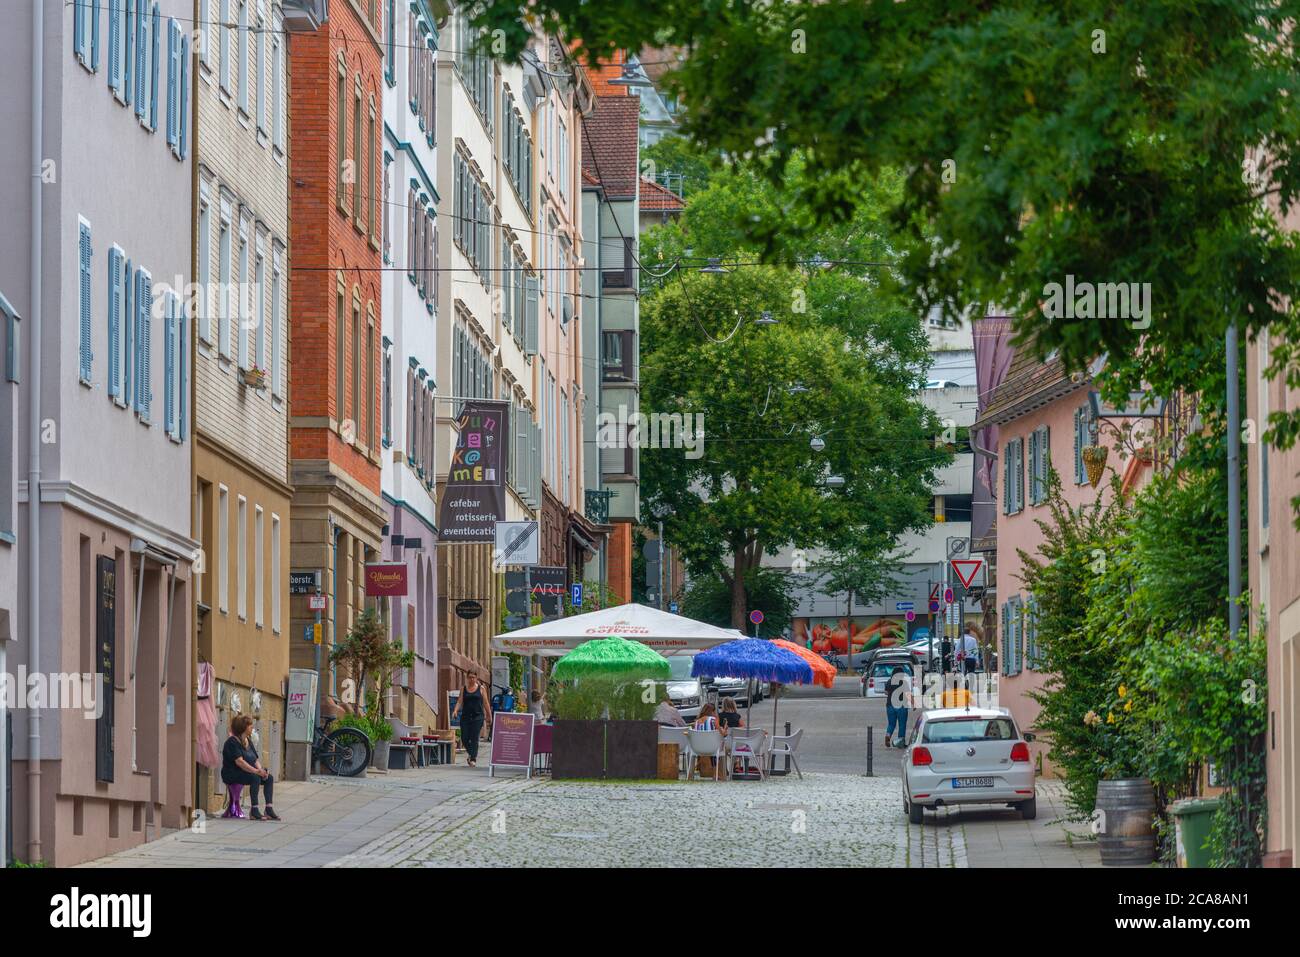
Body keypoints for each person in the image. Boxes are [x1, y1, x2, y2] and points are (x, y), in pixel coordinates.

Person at [221, 714, 279, 821]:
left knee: (269, 778)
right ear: (243, 727)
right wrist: (257, 772)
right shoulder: (232, 742)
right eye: (250, 726)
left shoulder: (248, 740)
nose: (252, 728)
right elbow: (240, 762)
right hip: (232, 773)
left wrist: (261, 771)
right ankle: (254, 810)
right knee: (255, 778)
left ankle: (269, 809)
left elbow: (255, 759)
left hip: (246, 772)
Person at [451, 673, 491, 767]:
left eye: (473, 677)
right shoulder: (463, 689)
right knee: (464, 737)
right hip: (465, 717)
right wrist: (455, 711)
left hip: (478, 717)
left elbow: (485, 703)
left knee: (474, 737)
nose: (471, 679)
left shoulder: (481, 689)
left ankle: (473, 758)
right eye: (470, 677)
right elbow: (460, 701)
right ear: (467, 678)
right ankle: (471, 753)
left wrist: (489, 715)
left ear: (476, 678)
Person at [883, 666, 911, 749]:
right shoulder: (903, 682)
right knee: (902, 725)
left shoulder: (889, 681)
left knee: (891, 724)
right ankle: (900, 742)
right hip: (901, 706)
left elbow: (886, 692)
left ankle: (888, 735)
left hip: (890, 706)